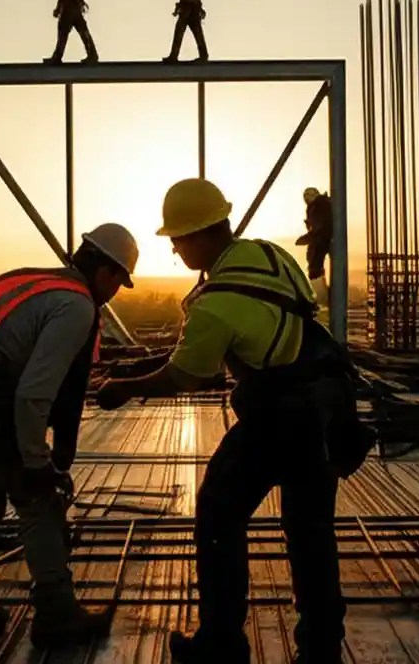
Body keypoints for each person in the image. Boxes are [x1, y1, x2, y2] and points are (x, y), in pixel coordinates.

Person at [95, 179, 347, 663]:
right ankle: (321, 650)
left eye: (177, 239)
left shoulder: (213, 302)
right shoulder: (269, 256)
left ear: (199, 236)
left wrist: (124, 388)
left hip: (279, 416)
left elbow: (187, 375)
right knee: (311, 530)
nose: (173, 248)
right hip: (327, 405)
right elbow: (268, 323)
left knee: (218, 514)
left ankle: (221, 644)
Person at [0, 224, 138, 649]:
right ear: (107, 271)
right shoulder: (76, 306)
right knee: (36, 496)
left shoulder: (44, 283)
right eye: (119, 281)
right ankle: (57, 614)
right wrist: (38, 463)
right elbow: (32, 395)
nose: (115, 292)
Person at [295, 187, 333, 319]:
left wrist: (309, 237)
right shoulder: (322, 205)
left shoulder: (318, 207)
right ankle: (326, 296)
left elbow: (319, 227)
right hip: (324, 238)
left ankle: (324, 297)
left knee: (314, 268)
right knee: (315, 267)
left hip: (322, 239)